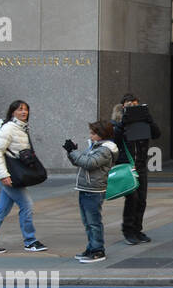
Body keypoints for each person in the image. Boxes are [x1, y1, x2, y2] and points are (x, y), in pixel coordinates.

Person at [0, 100, 48, 254]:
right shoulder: (9, 128)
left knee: (1, 211)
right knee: (27, 205)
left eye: (26, 109)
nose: (24, 112)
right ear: (12, 112)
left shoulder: (21, 128)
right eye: (20, 109)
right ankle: (30, 241)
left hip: (14, 176)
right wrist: (3, 175)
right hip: (9, 176)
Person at [65, 120, 120, 263]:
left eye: (93, 133)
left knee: (93, 222)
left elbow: (89, 163)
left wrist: (74, 152)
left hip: (94, 189)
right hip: (86, 188)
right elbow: (80, 161)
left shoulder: (105, 149)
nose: (90, 135)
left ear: (101, 134)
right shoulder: (97, 146)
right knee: (87, 221)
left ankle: (98, 250)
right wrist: (71, 153)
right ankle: (91, 248)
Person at [111, 94, 161, 245]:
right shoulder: (117, 123)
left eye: (135, 103)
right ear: (123, 106)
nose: (132, 106)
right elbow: (114, 140)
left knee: (142, 200)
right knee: (132, 199)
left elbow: (157, 134)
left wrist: (149, 120)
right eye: (129, 104)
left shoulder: (143, 121)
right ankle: (128, 231)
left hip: (140, 165)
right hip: (127, 165)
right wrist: (122, 125)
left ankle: (137, 230)